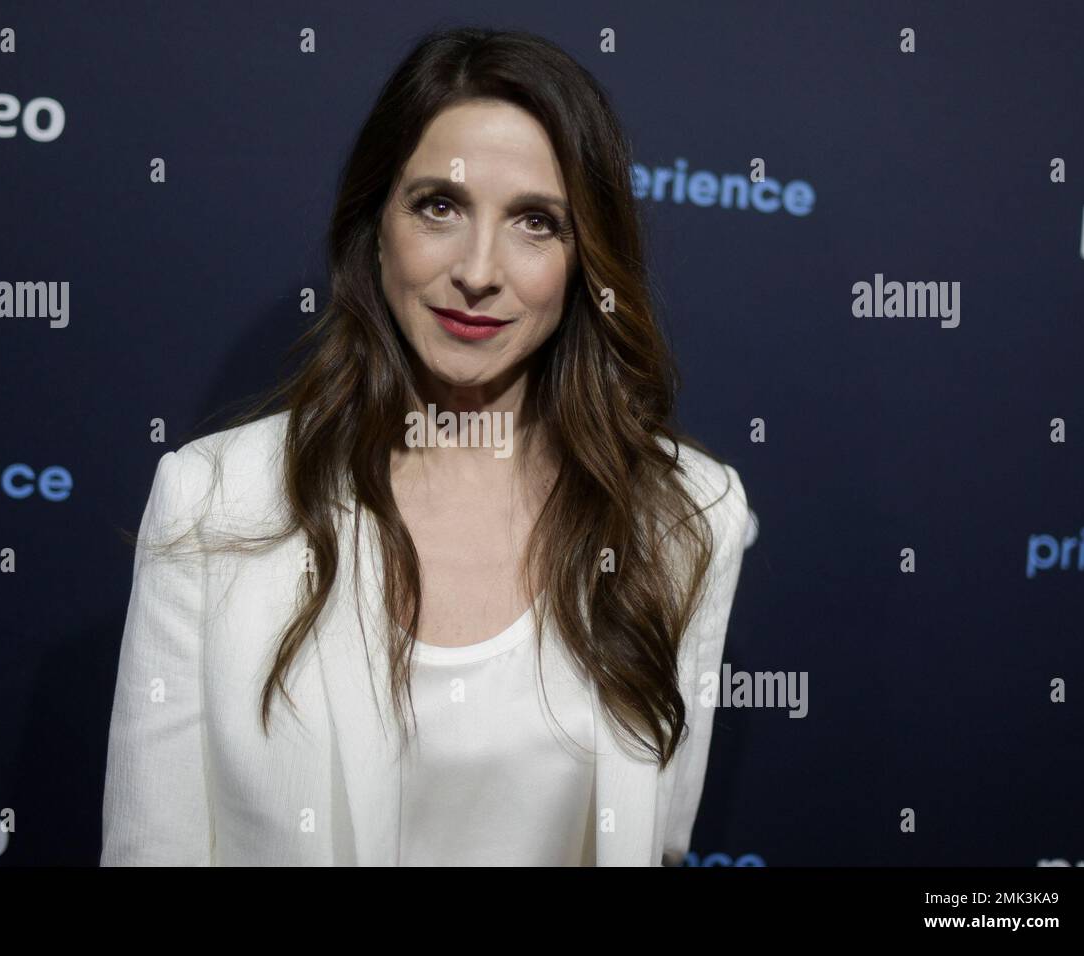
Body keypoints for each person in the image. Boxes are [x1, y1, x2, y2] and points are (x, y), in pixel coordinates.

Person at [100, 26, 755, 867]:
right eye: (439, 206)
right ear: (376, 227)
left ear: (585, 260)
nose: (479, 270)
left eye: (535, 222)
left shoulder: (686, 518)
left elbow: (658, 841)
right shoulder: (216, 499)